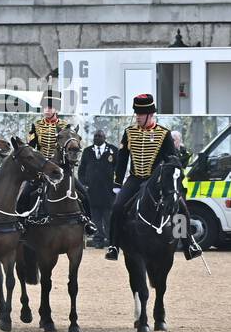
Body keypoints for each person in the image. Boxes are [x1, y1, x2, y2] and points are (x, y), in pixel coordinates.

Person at [105, 93, 201, 261]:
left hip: (156, 180)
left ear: (150, 114)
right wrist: (118, 183)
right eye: (136, 113)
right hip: (135, 179)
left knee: (180, 206)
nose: (137, 117)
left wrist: (175, 171)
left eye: (140, 114)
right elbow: (122, 159)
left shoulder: (164, 134)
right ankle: (113, 246)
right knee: (118, 207)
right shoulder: (129, 133)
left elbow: (172, 159)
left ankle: (189, 244)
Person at [22, 88, 95, 234]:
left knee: (84, 194)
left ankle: (88, 222)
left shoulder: (65, 127)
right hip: (41, 169)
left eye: (50, 106)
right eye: (45, 106)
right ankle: (21, 224)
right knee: (25, 194)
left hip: (61, 169)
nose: (47, 110)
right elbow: (31, 149)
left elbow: (71, 149)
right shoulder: (36, 126)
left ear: (56, 108)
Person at [78, 129, 118, 248]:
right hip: (92, 191)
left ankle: (111, 240)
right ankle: (98, 240)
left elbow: (119, 169)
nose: (97, 138)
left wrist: (117, 185)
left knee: (108, 217)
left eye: (99, 136)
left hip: (108, 191)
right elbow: (81, 170)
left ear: (104, 137)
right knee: (95, 218)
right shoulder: (87, 151)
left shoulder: (113, 150)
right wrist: (83, 184)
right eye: (95, 136)